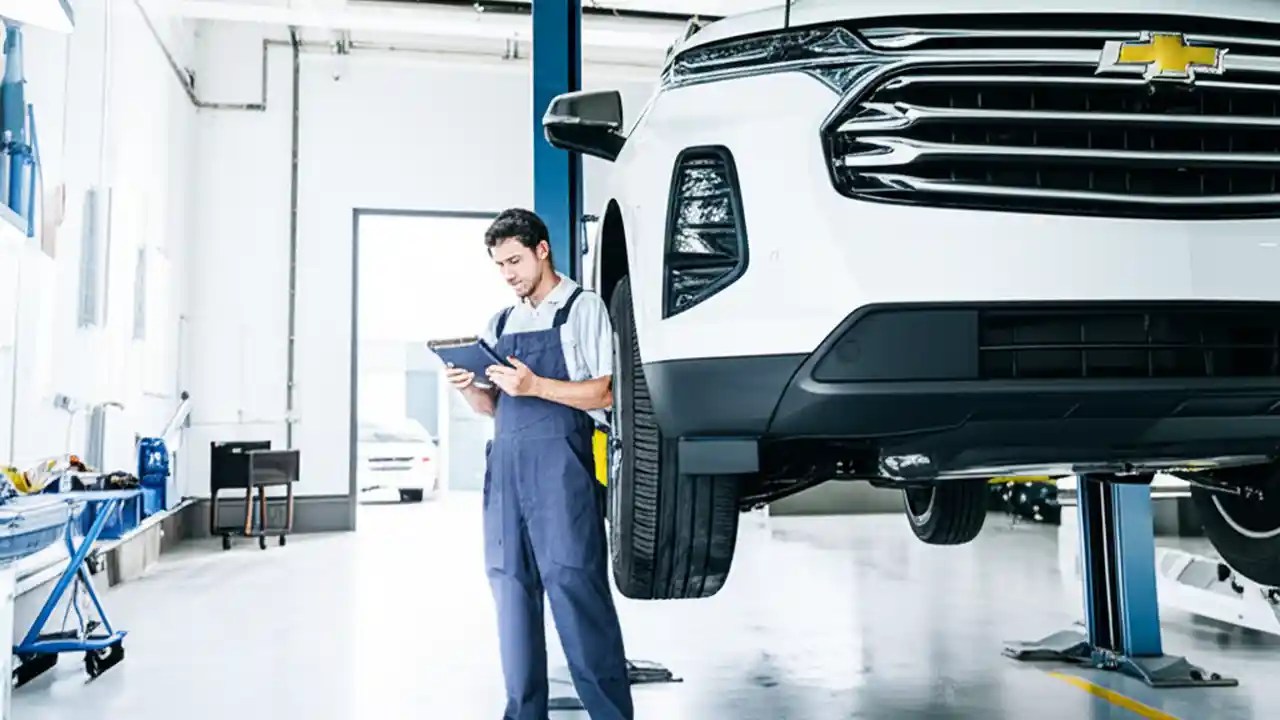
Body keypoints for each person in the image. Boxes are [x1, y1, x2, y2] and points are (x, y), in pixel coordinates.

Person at [446, 208, 634, 720]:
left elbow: (609, 392)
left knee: (576, 589)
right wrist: (470, 391)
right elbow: (493, 409)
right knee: (510, 591)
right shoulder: (500, 322)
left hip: (562, 468)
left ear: (542, 250)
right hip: (506, 470)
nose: (508, 274)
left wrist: (535, 386)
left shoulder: (582, 308)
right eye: (499, 265)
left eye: (514, 261)